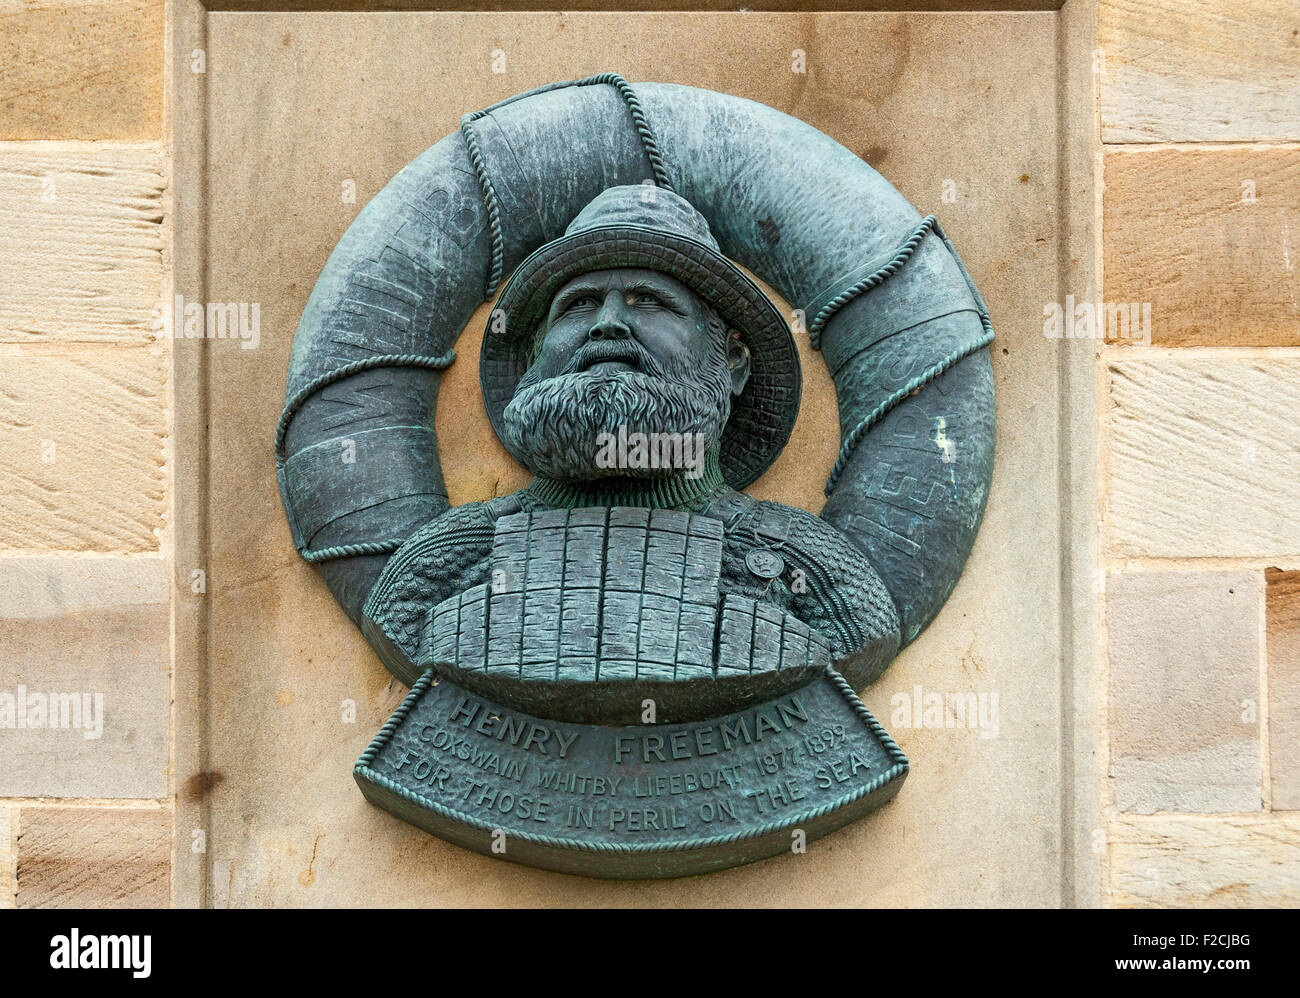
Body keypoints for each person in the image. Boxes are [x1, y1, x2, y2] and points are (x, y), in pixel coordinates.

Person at [361, 186, 900, 717]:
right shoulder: (446, 556)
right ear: (533, 362)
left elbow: (861, 638)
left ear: (732, 362)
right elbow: (400, 626)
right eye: (578, 305)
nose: (607, 323)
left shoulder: (805, 560)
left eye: (649, 302)